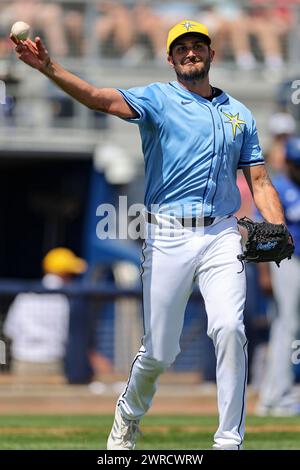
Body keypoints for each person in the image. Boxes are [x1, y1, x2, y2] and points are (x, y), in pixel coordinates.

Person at [11, 20, 288, 450]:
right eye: (182, 47)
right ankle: (128, 416)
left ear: (212, 55)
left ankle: (228, 441)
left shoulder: (240, 113)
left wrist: (280, 229)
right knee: (160, 352)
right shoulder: (158, 98)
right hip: (167, 235)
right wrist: (50, 68)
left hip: (221, 234)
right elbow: (100, 99)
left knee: (230, 328)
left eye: (198, 46)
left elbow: (261, 181)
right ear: (170, 58)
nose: (190, 52)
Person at [256, 137, 300, 416]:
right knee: (287, 324)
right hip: (287, 261)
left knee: (289, 325)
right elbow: (263, 231)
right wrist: (264, 271)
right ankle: (273, 396)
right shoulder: (281, 188)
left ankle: (278, 393)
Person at [3, 247, 87, 377]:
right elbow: (70, 337)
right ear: (64, 274)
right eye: (71, 274)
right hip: (52, 363)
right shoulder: (65, 300)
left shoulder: (25, 295)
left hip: (22, 362)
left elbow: (10, 331)